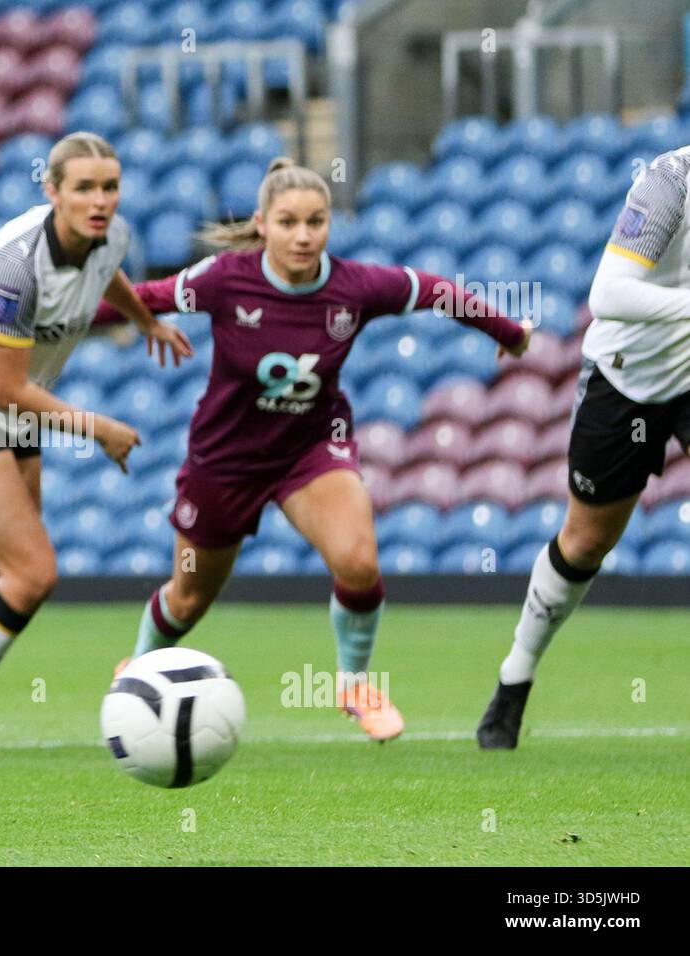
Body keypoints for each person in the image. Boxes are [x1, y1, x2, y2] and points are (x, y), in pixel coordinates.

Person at [97, 157, 532, 741]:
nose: (303, 235)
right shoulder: (225, 279)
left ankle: (353, 684)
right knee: (188, 598)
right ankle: (140, 664)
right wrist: (43, 324)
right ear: (262, 224)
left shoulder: (353, 287)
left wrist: (506, 331)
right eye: (289, 222)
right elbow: (142, 297)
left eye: (316, 222)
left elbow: (435, 290)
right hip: (223, 460)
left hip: (311, 450)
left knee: (358, 564)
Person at [0, 132, 193, 756]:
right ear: (52, 191)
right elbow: (9, 391)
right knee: (33, 573)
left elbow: (108, 274)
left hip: (10, 413)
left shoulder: (112, 234)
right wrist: (98, 426)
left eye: (109, 186)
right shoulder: (18, 269)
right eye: (83, 187)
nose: (100, 199)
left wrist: (145, 321)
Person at [477, 147, 690, 749]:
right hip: (627, 377)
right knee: (586, 540)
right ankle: (514, 677)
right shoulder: (670, 182)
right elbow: (609, 295)